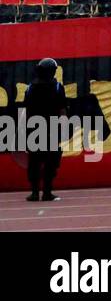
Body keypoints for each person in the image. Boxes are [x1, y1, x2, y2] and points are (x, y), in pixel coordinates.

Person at [22, 58, 68, 202]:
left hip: (34, 129)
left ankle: (35, 193)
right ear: (52, 71)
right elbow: (62, 110)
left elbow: (27, 111)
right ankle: (47, 192)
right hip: (52, 129)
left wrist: (26, 130)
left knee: (34, 161)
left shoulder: (30, 87)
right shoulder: (57, 87)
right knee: (51, 162)